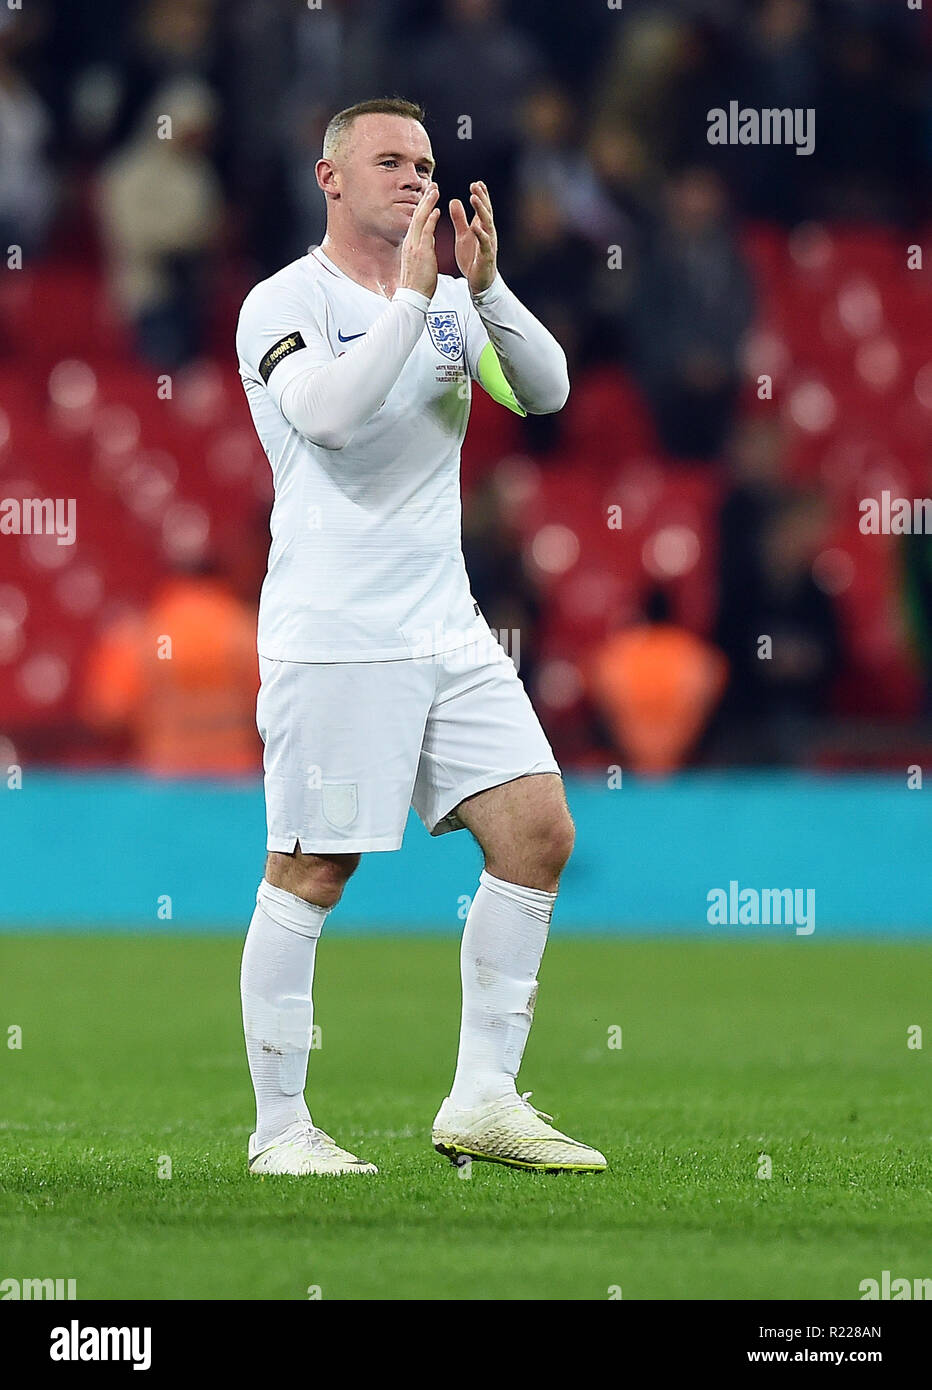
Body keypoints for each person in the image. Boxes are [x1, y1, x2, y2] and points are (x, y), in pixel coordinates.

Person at [235, 97, 605, 1176]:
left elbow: (544, 392)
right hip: (336, 631)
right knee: (312, 866)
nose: (411, 178)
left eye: (425, 163)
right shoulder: (281, 302)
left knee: (536, 831)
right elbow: (335, 418)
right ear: (329, 179)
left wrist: (482, 290)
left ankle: (484, 1096)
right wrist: (410, 300)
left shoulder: (449, 306)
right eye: (387, 160)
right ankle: (280, 1129)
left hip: (444, 624)